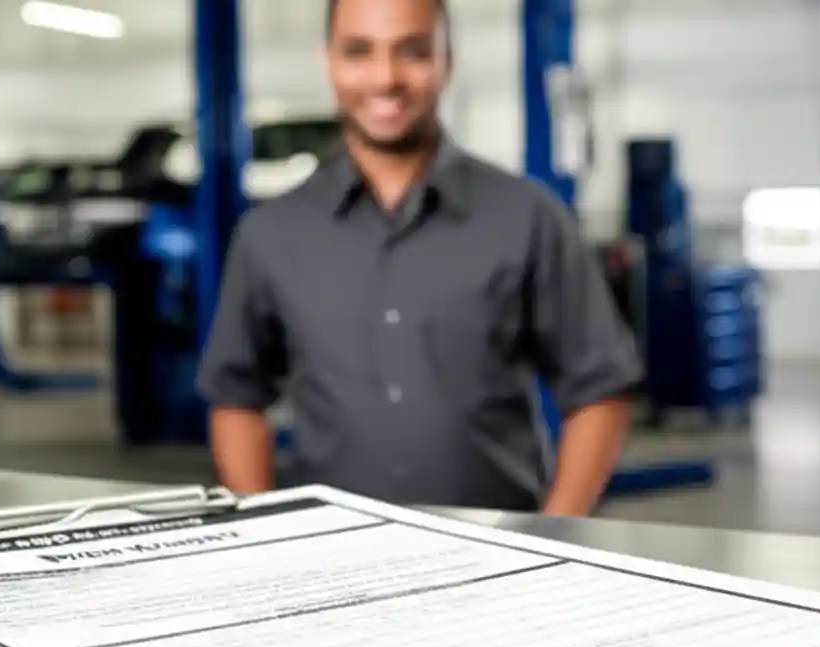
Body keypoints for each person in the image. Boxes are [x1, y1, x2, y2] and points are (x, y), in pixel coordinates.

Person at [196, 0, 642, 515]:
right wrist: (261, 530)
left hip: (496, 545)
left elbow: (599, 388)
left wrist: (554, 531)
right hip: (328, 549)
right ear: (329, 61)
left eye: (412, 52)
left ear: (448, 59)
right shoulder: (271, 234)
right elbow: (235, 396)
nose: (386, 78)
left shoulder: (528, 218)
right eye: (359, 51)